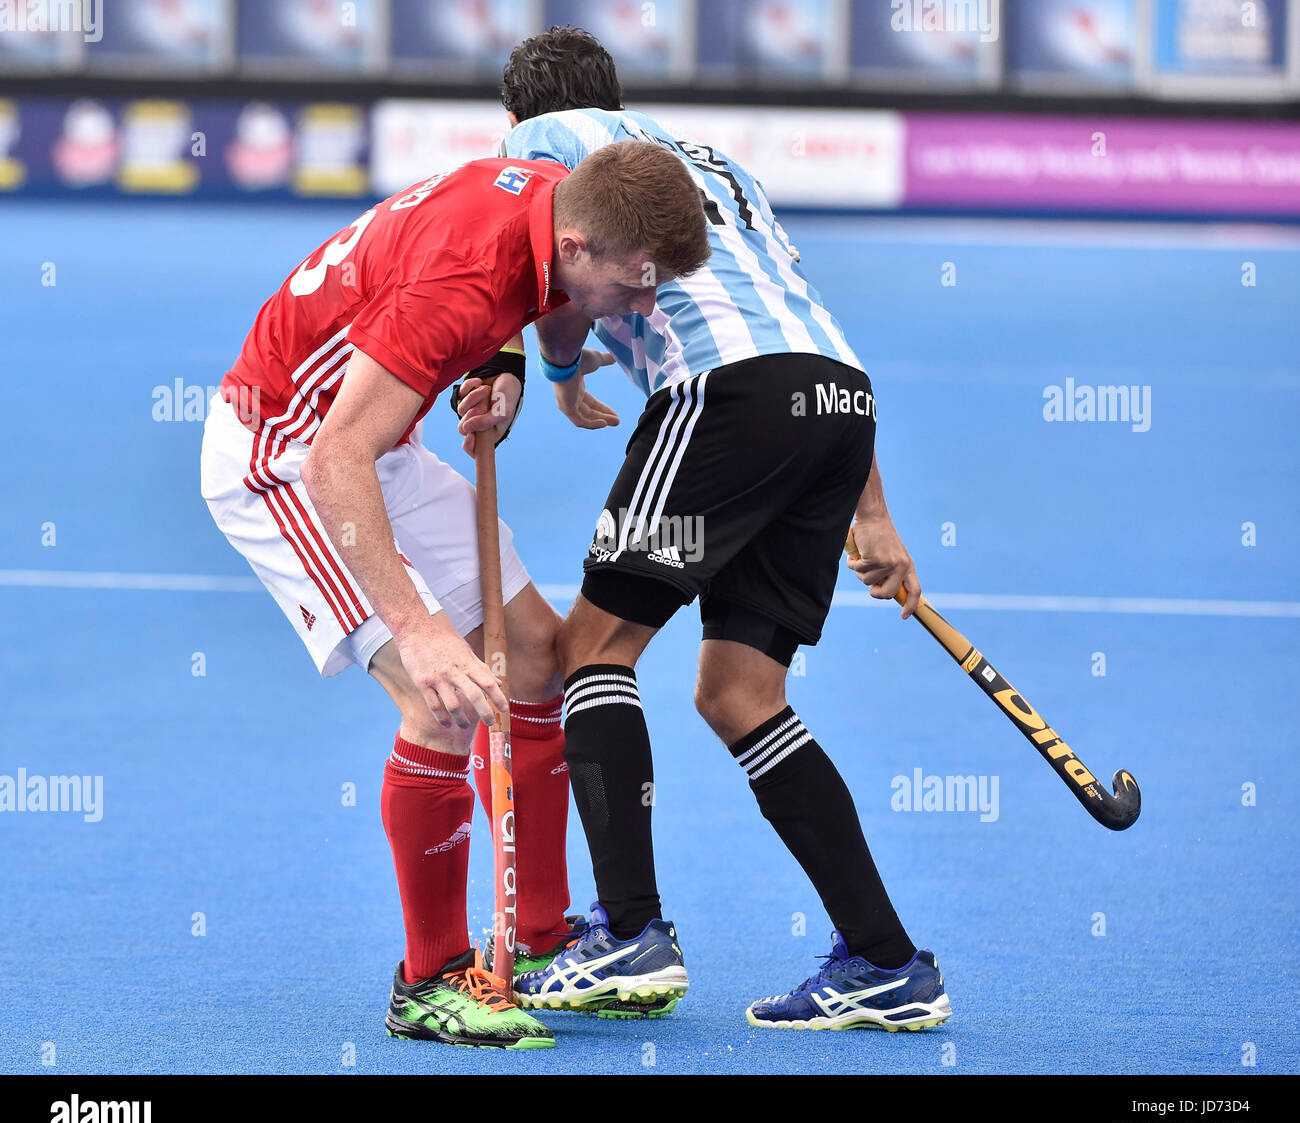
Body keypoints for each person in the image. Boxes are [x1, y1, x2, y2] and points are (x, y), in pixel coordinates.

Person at [199, 140, 711, 1048]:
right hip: (289, 457)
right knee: (443, 696)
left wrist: (515, 375)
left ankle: (543, 938)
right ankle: (428, 981)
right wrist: (423, 630)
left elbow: (549, 302)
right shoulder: (465, 280)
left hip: (376, 444)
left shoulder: (562, 204)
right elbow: (334, 459)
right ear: (583, 243)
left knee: (539, 659)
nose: (640, 312)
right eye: (634, 290)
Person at [491, 27, 952, 1032]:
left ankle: (627, 936)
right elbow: (800, 315)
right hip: (838, 403)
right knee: (741, 693)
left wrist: (561, 375)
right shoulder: (715, 165)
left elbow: (558, 284)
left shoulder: (541, 150)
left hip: (727, 397)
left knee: (590, 651)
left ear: (514, 112)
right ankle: (883, 959)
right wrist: (873, 514)